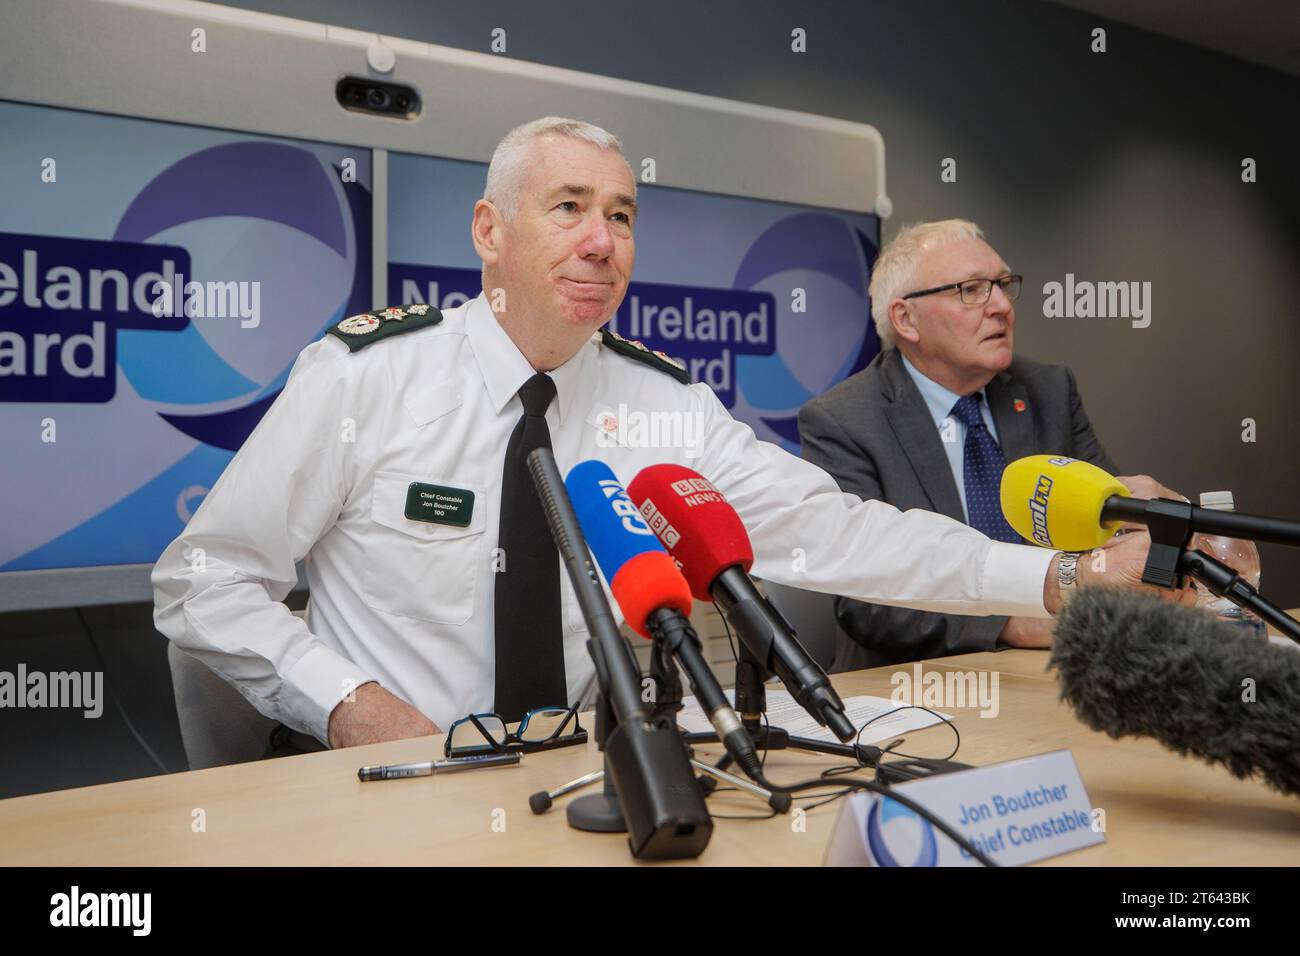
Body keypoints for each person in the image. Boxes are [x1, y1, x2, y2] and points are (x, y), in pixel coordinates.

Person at [152, 120, 1190, 753]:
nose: (603, 241)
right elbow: (202, 577)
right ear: (488, 232)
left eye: (622, 213)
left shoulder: (664, 404)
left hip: (581, 777)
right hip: (390, 782)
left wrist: (1056, 577)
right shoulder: (366, 375)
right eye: (567, 208)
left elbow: (839, 533)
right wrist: (348, 702)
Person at [799, 219, 1177, 668]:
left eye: (1002, 284)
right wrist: (1015, 622)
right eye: (971, 290)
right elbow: (867, 598)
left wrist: (1136, 517)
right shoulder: (844, 420)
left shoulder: (1048, 390)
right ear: (906, 318)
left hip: (1060, 663)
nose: (1000, 305)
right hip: (913, 683)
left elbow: (1105, 535)